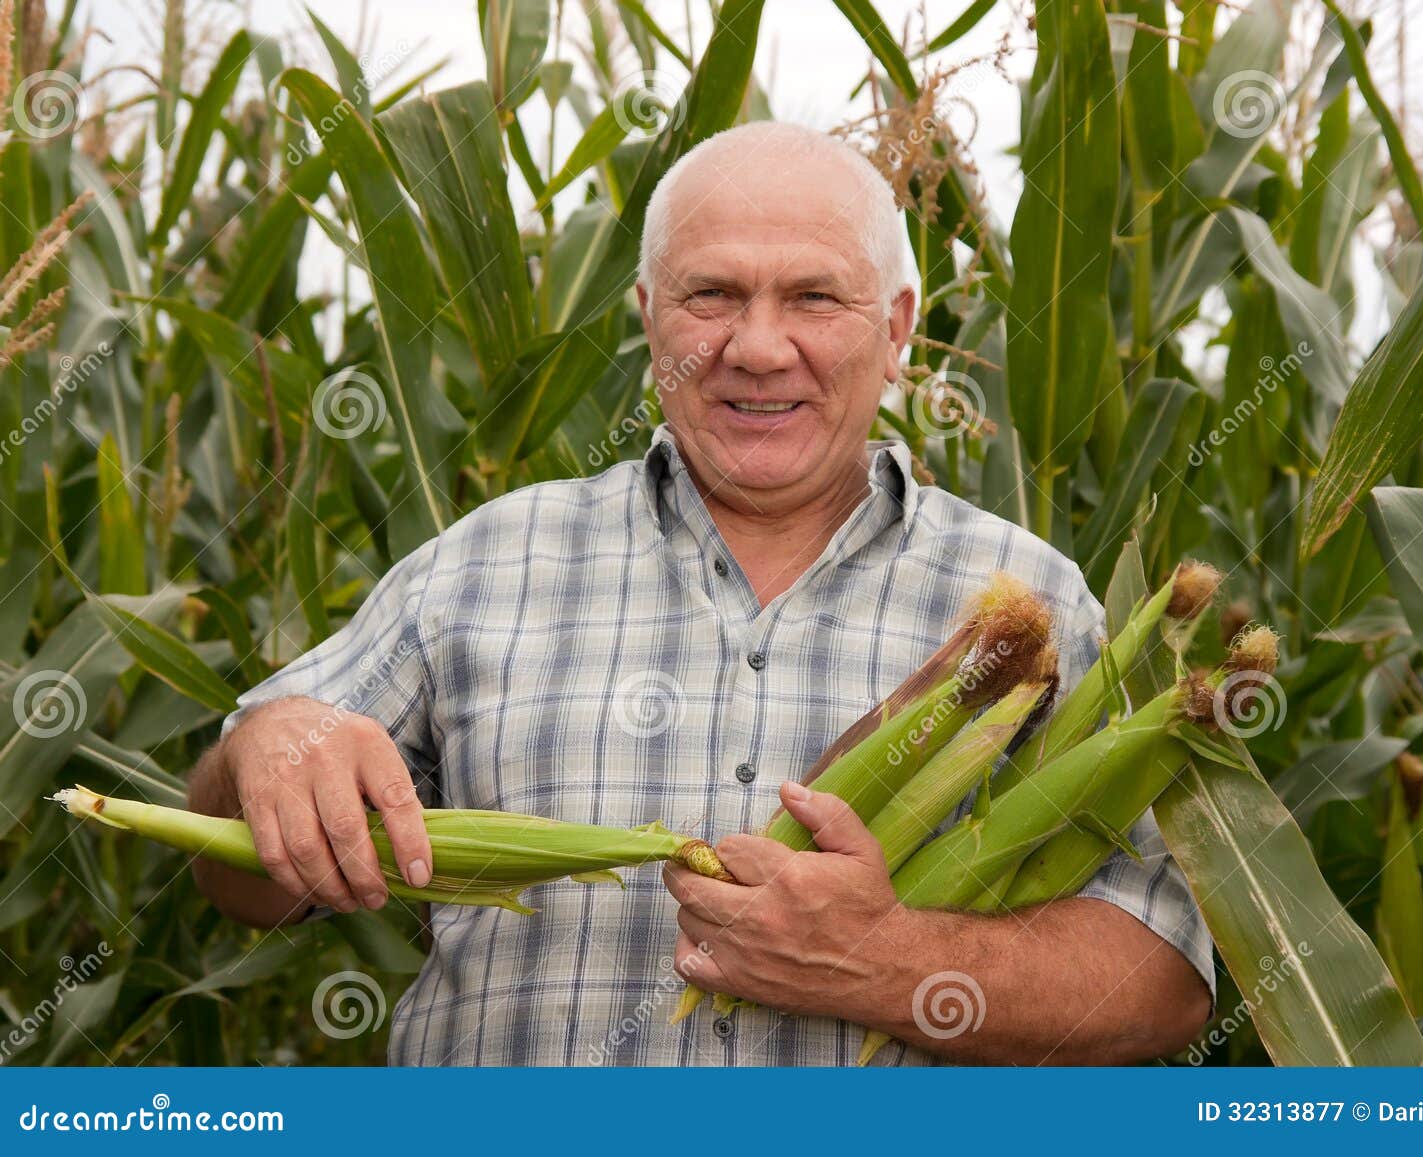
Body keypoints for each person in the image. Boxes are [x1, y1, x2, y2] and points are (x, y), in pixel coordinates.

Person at [188, 122, 1213, 1065]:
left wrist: (886, 957)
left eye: (814, 297)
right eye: (710, 295)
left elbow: (1163, 979)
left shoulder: (1029, 603)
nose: (758, 347)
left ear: (896, 326)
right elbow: (242, 883)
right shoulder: (483, 563)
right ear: (647, 316)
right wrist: (264, 746)